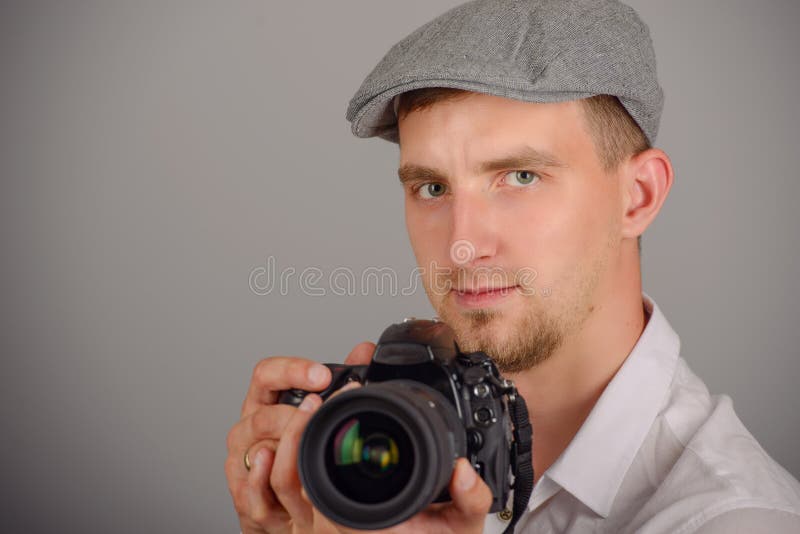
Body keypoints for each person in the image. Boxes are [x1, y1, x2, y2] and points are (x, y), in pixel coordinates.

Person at [225, 0, 800, 532]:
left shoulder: (734, 518)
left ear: (638, 196)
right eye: (431, 187)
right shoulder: (392, 467)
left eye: (520, 178)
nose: (463, 246)